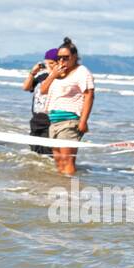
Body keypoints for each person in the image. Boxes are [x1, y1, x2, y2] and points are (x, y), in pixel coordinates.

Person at [40, 38, 94, 175]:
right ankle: (63, 188)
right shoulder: (58, 72)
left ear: (74, 57)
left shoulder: (82, 71)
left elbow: (89, 95)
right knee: (58, 161)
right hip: (54, 122)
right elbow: (43, 90)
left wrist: (83, 121)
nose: (62, 60)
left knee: (67, 160)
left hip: (70, 121)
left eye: (66, 57)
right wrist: (53, 75)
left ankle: (71, 189)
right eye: (60, 58)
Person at [22, 48, 59, 155]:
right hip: (36, 118)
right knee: (34, 152)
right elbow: (26, 87)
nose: (48, 66)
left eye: (51, 63)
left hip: (50, 120)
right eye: (46, 63)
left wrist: (53, 74)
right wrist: (32, 73)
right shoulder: (42, 76)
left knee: (47, 153)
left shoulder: (60, 78)